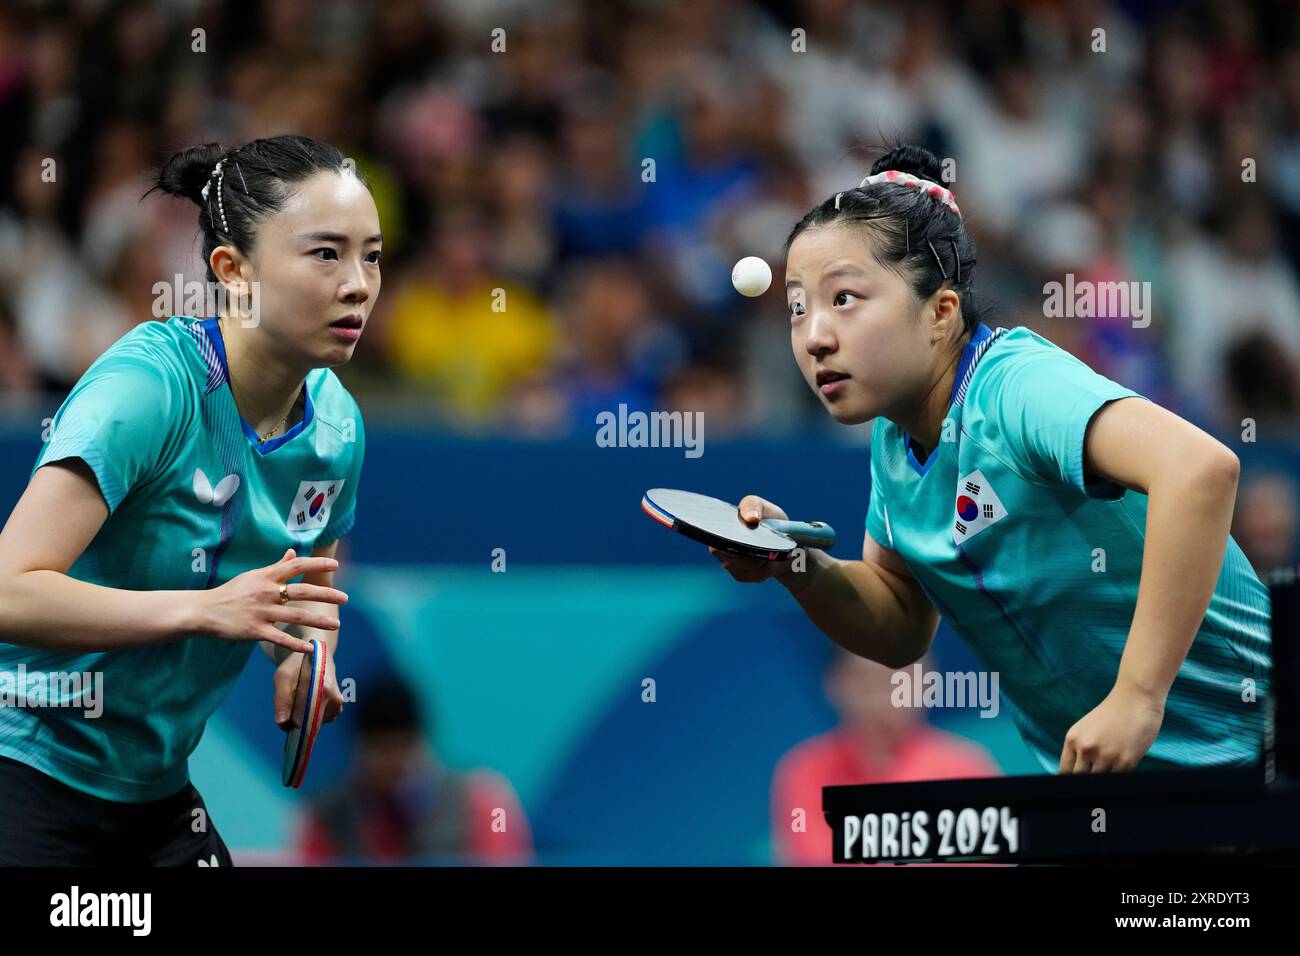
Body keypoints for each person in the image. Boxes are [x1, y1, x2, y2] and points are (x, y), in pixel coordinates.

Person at [713, 144, 1270, 775]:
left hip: (1259, 754)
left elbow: (1199, 470)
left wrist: (1137, 697)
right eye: (797, 308)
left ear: (941, 314)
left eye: (843, 298)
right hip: (1122, 789)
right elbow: (899, 624)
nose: (814, 336)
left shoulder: (1016, 388)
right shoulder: (894, 441)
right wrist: (797, 564)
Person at [0, 134, 376, 864]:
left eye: (373, 255)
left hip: (155, 797)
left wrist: (304, 652)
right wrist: (208, 610)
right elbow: (8, 592)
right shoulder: (147, 391)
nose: (358, 283)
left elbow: (312, 581)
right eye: (326, 253)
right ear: (234, 270)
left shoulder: (337, 429)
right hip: (24, 765)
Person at [772, 648, 997, 866]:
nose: (881, 701)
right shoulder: (804, 771)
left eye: (897, 685)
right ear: (833, 683)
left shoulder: (966, 768)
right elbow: (810, 856)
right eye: (866, 684)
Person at [298, 675, 533, 865]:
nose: (389, 764)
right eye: (379, 750)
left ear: (420, 742)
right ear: (358, 747)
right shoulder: (327, 813)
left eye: (399, 748)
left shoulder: (482, 800)